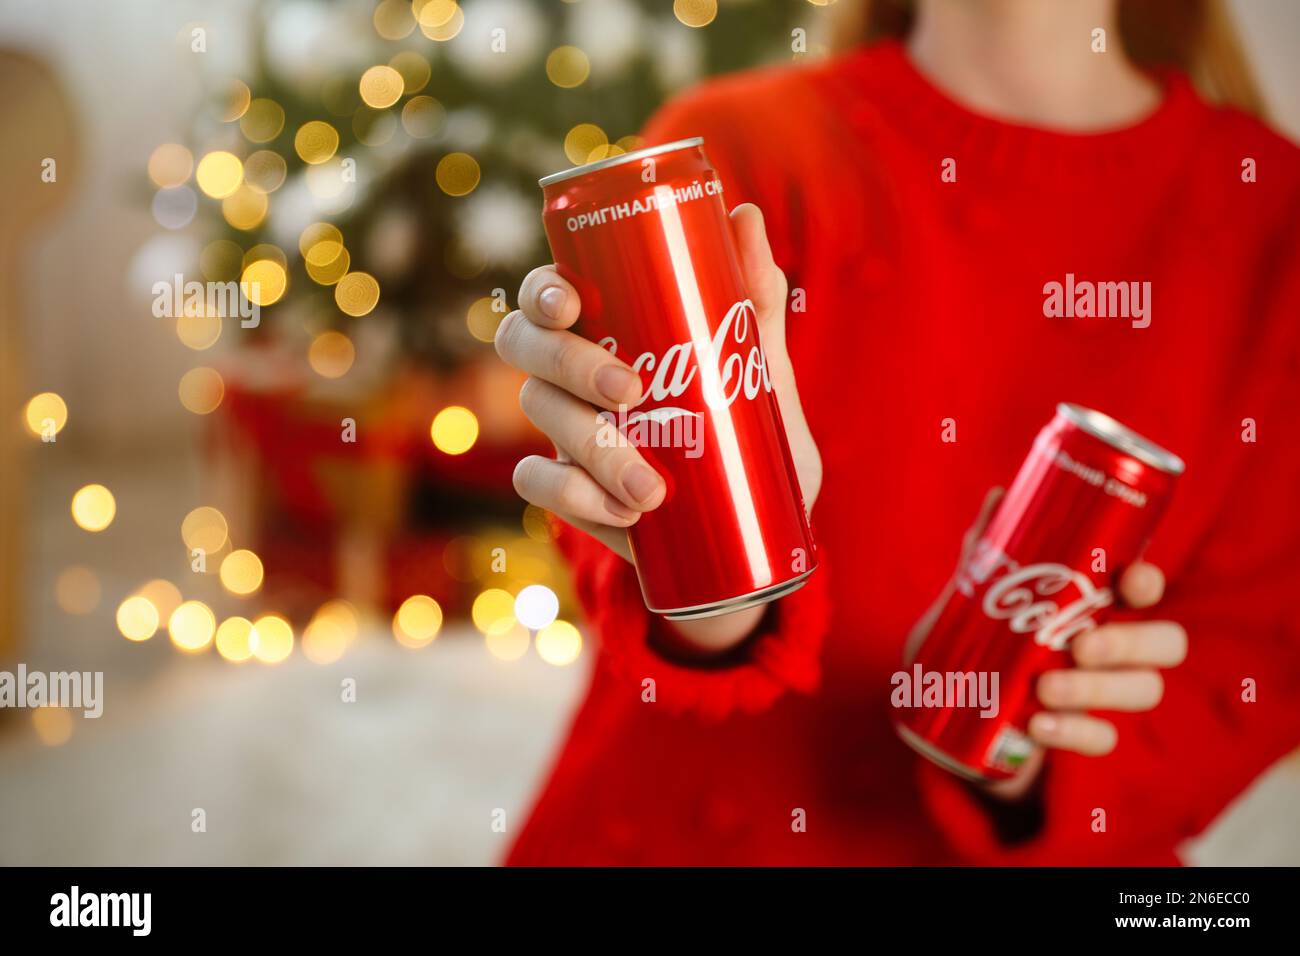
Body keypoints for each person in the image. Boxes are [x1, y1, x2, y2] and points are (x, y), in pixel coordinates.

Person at [493, 0, 1300, 864]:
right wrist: (716, 547)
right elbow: (662, 598)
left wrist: (1030, 739)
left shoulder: (1270, 211)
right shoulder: (740, 142)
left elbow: (1258, 657)